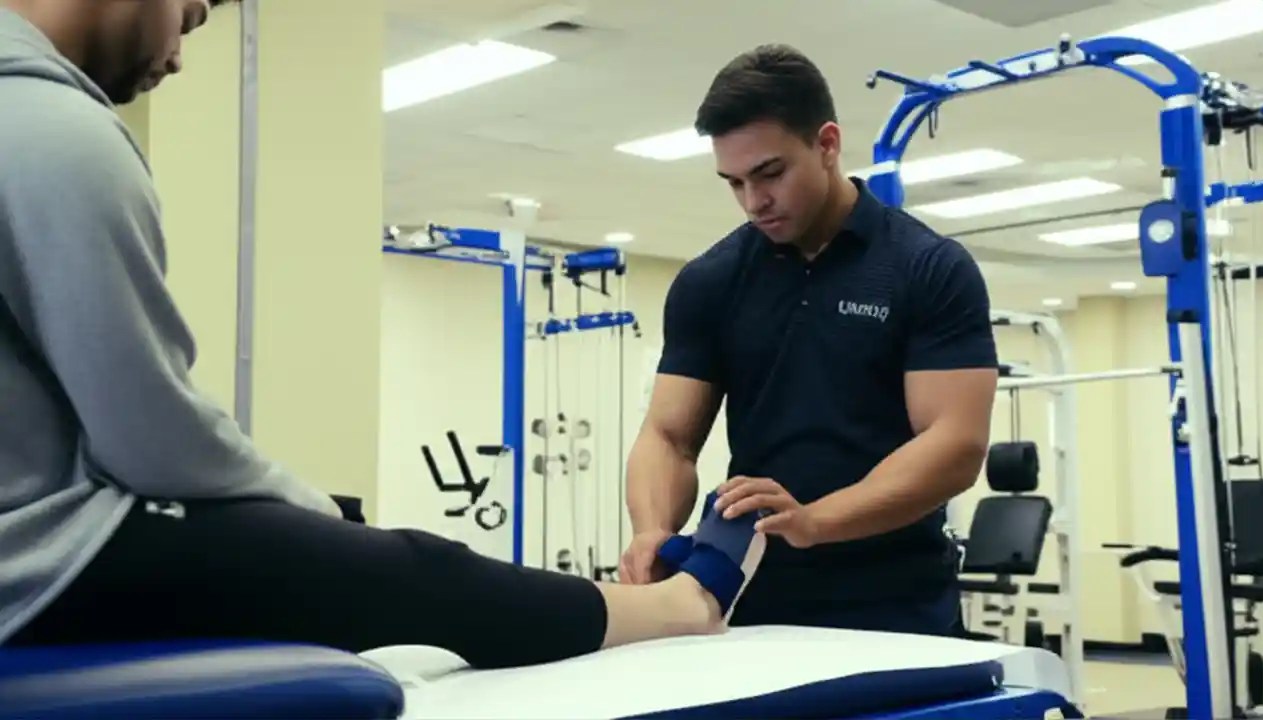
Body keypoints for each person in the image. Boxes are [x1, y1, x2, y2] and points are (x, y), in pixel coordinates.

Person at [0, 0, 763, 669]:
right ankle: (683, 606)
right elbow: (153, 442)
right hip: (42, 565)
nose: (178, 47)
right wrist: (312, 518)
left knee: (342, 530)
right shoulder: (59, 132)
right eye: (188, 12)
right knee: (419, 571)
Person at [620, 44, 999, 637]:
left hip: (896, 603)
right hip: (751, 598)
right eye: (735, 182)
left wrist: (815, 520)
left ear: (826, 144)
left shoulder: (927, 267)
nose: (754, 201)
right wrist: (651, 529)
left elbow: (954, 444)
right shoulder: (711, 281)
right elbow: (668, 436)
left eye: (770, 174)